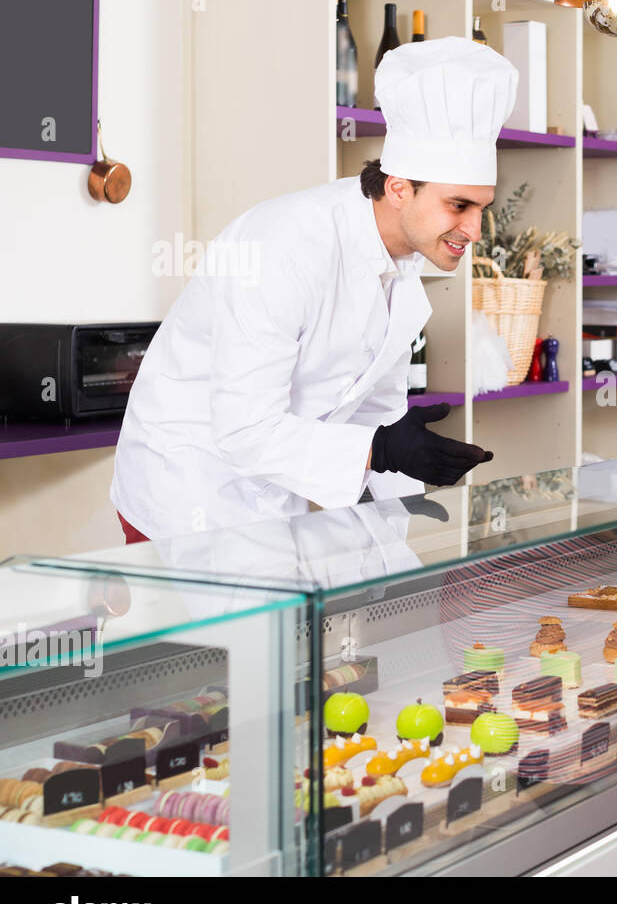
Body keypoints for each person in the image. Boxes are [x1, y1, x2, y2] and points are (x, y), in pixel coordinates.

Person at [111, 38, 514, 542]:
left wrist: (399, 513)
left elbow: (377, 415)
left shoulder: (403, 259)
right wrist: (381, 452)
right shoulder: (283, 246)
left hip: (274, 492)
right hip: (187, 492)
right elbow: (244, 429)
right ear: (398, 188)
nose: (475, 231)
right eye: (459, 206)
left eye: (482, 208)